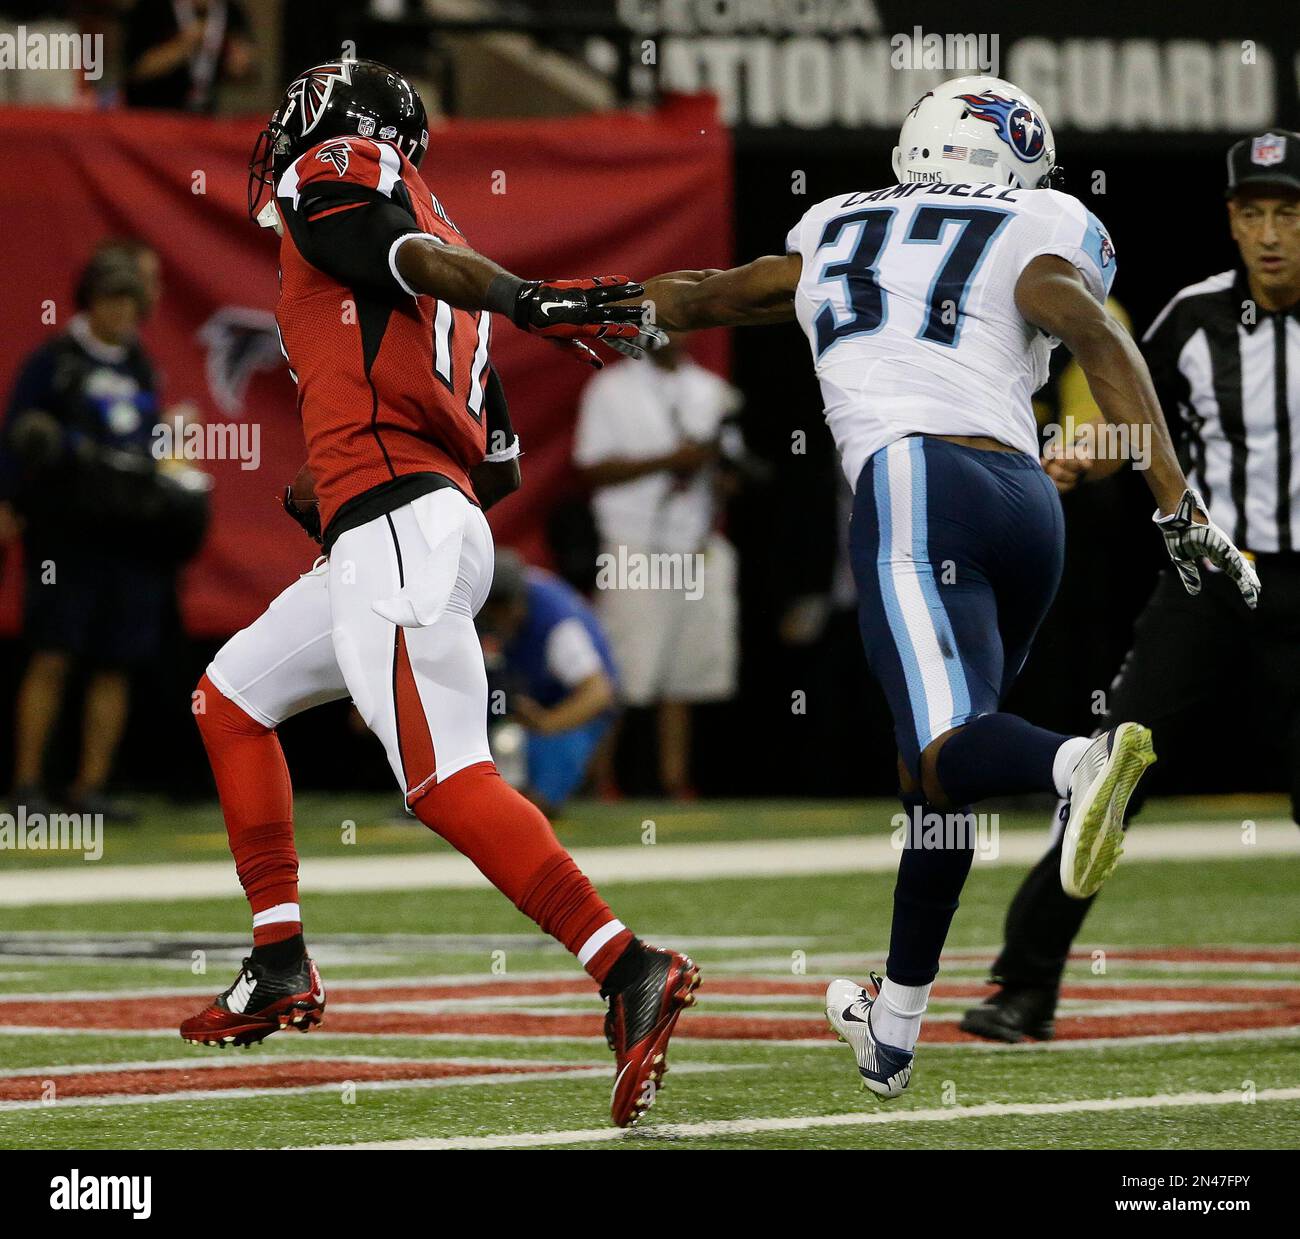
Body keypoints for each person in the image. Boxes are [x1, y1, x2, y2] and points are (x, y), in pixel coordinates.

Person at [635, 74, 1259, 1098]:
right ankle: (896, 1022)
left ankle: (1075, 763)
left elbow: (707, 292)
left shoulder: (836, 222)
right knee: (935, 778)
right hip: (1025, 505)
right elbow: (1095, 335)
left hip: (918, 479)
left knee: (941, 745)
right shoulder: (1042, 218)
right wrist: (1175, 508)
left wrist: (571, 305)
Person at [178, 59, 698, 1129]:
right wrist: (351, 475)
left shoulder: (356, 176)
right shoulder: (440, 252)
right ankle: (280, 957)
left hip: (399, 524)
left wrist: (518, 293)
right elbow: (498, 454)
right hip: (413, 517)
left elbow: (378, 243)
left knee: (440, 779)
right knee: (228, 699)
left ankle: (624, 964)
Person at [962, 129, 1300, 1044]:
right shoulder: (1191, 319)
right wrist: (1089, 454)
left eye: (1288, 212)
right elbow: (1135, 418)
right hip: (1214, 580)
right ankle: (1025, 985)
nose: (1271, 233)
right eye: (1253, 212)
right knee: (1115, 769)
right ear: (1232, 222)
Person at [2, 243, 169, 821]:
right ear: (91, 300)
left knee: (115, 661)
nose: (125, 315)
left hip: (126, 533)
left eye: (132, 304)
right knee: (52, 653)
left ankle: (89, 789)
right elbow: (16, 437)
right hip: (63, 534)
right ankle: (26, 787)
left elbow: (151, 442)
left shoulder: (141, 365)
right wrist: (9, 501)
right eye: (114, 301)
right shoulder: (54, 361)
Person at [572, 333, 741, 797]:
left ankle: (674, 781)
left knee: (684, 672)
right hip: (634, 541)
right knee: (623, 664)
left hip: (696, 541)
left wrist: (720, 472)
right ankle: (600, 780)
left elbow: (732, 466)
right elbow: (590, 467)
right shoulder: (611, 387)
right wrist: (671, 460)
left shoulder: (712, 389)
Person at [477, 549, 618, 814]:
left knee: (535, 803)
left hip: (562, 709)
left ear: (518, 601)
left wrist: (545, 722)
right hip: (519, 699)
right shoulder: (480, 608)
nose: (498, 619)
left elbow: (598, 693)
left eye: (503, 609)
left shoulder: (557, 624)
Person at [123, 0, 255, 112]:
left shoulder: (230, 11)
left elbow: (246, 74)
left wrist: (239, 63)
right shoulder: (152, 7)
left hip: (203, 117)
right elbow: (135, 70)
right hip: (153, 116)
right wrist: (183, 45)